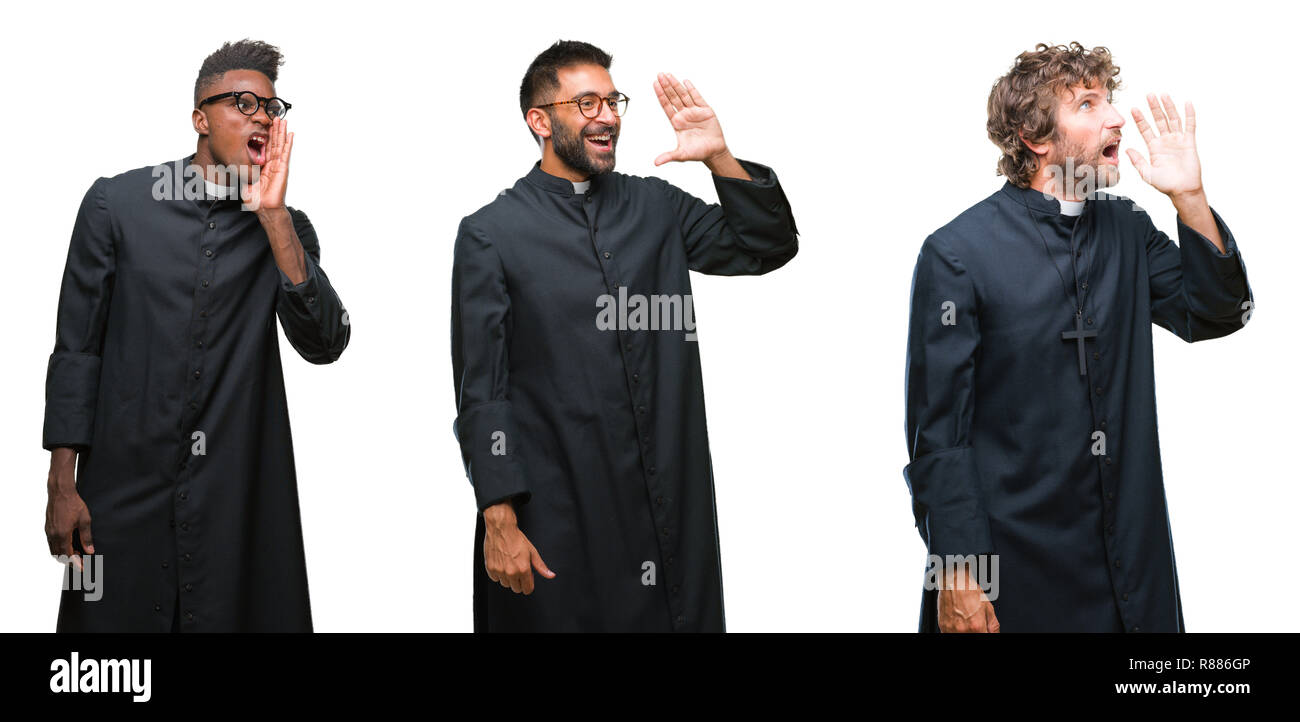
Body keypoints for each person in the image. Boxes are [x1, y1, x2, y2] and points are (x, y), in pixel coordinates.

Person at [450, 40, 798, 632]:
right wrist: (499, 521)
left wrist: (719, 159)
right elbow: (484, 392)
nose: (608, 115)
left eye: (613, 101)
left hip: (668, 508)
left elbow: (767, 247)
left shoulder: (655, 205)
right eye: (587, 103)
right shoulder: (491, 234)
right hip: (559, 515)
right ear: (539, 121)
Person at [903, 42, 1251, 633]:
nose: (1116, 117)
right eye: (1088, 104)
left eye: (1109, 99)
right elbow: (940, 437)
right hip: (1017, 570)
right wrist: (959, 575)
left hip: (1132, 576)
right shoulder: (957, 254)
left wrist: (1189, 197)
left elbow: (1218, 312)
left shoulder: (1128, 230)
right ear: (1037, 137)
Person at [43, 38, 350, 632]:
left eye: (272, 107)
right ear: (200, 119)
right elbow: (76, 349)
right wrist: (62, 482)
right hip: (121, 491)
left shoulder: (284, 225)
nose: (262, 116)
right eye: (243, 103)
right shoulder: (115, 204)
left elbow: (326, 342)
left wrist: (274, 218)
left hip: (238, 499)